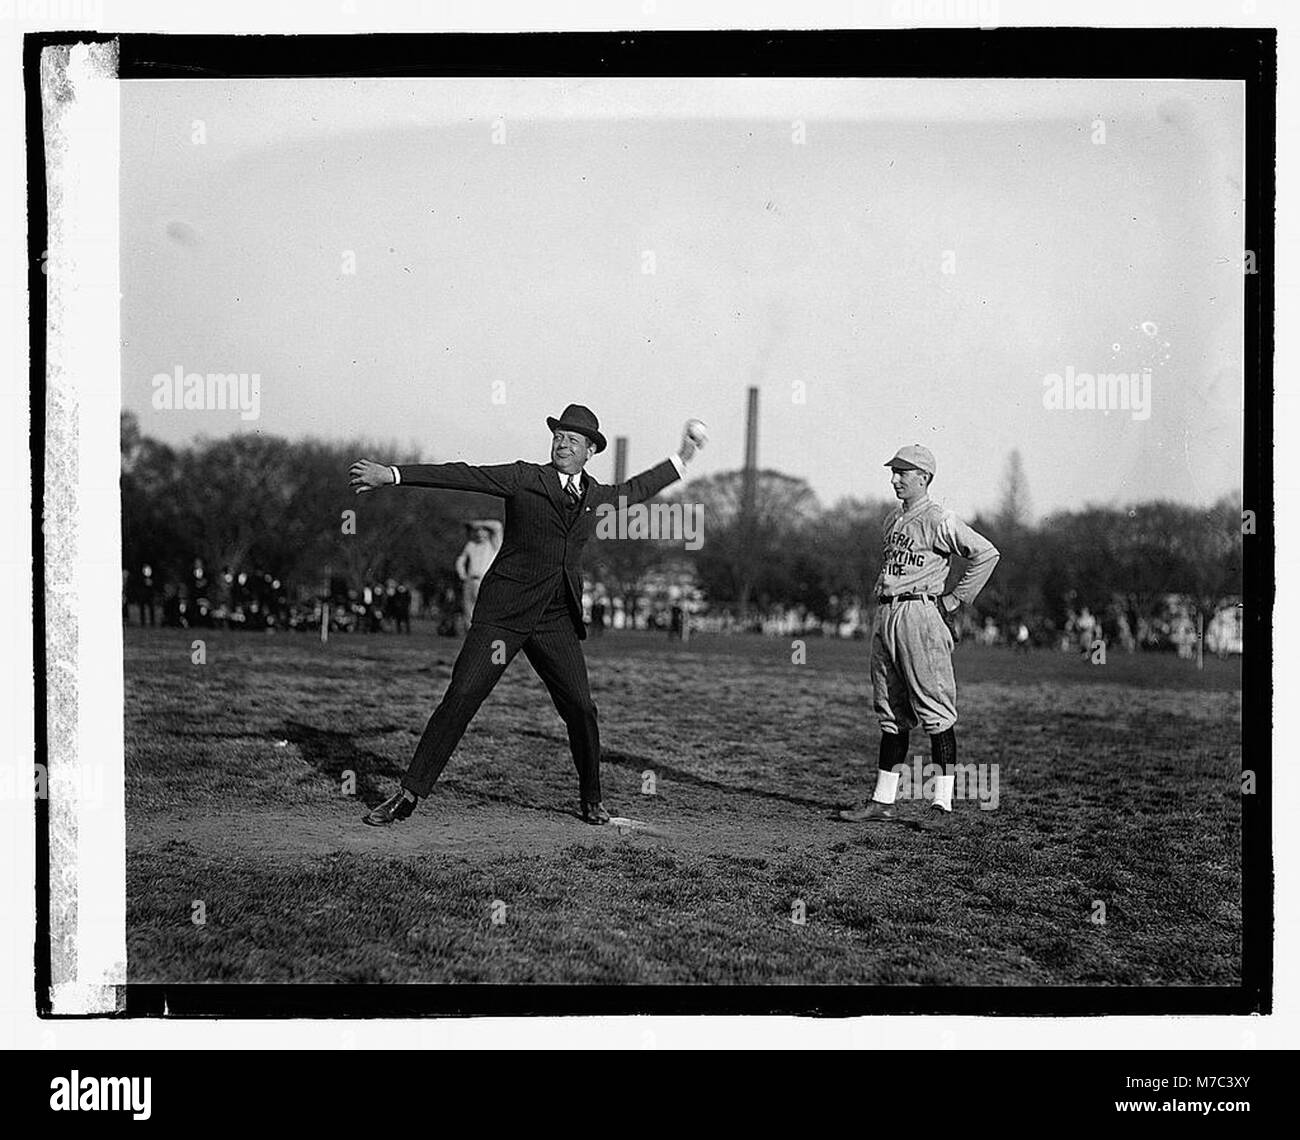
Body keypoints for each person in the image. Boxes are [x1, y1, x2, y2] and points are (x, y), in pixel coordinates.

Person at [349, 404, 706, 827]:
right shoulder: (524, 478)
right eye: (558, 436)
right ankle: (408, 795)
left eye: (573, 440)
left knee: (581, 708)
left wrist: (682, 457)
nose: (562, 443)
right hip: (504, 616)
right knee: (462, 697)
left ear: (590, 450)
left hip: (554, 620)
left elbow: (638, 488)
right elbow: (465, 474)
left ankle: (592, 799)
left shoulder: (595, 497)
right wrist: (393, 474)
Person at [840, 444, 1000, 822]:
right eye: (893, 473)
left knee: (936, 710)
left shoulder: (939, 519)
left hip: (921, 614)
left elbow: (986, 553)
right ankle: (882, 801)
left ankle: (941, 805)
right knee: (891, 712)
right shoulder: (892, 521)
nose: (894, 480)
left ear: (924, 478)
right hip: (888, 613)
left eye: (903, 474)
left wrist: (955, 601)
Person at [455, 520, 503, 627]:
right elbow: (460, 560)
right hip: (470, 580)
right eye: (477, 531)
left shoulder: (493, 545)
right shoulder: (471, 545)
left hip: (484, 580)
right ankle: (469, 634)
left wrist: (479, 523)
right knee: (468, 609)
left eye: (483, 531)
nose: (480, 533)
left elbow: (497, 526)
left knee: (485, 609)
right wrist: (462, 574)